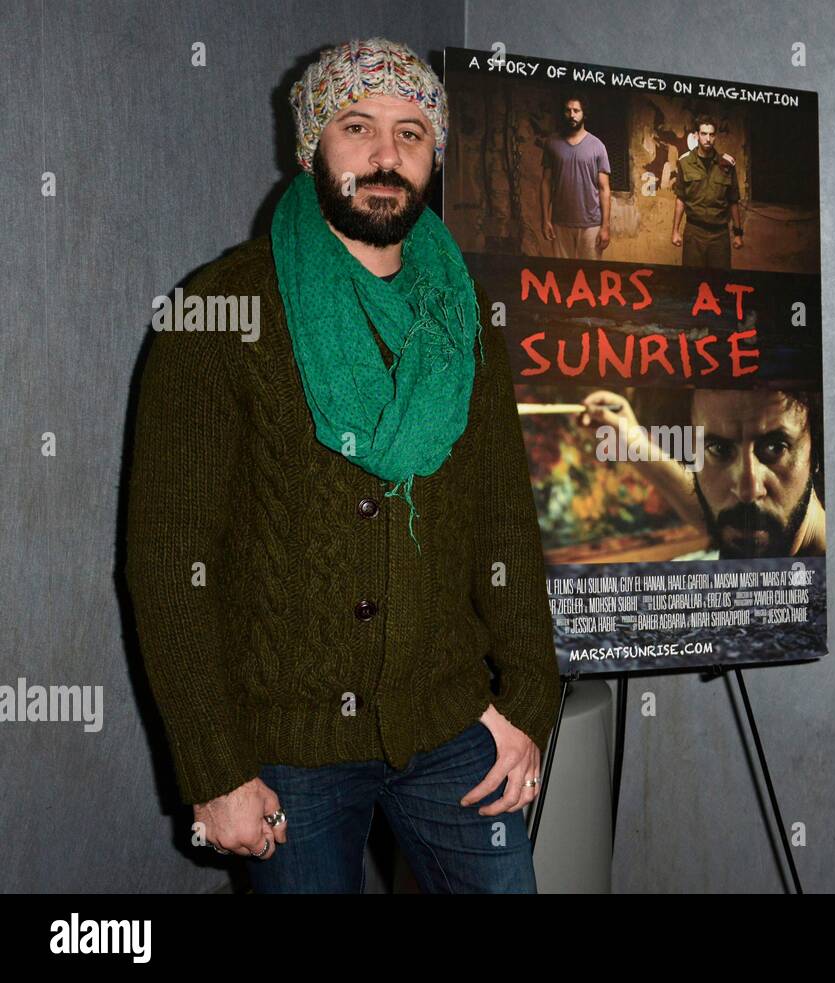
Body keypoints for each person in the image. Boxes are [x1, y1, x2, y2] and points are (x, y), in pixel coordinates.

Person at [125, 37, 562, 893]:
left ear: (435, 154)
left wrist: (529, 705)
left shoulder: (465, 316)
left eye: (410, 132)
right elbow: (170, 563)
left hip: (450, 725)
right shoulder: (218, 311)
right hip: (288, 750)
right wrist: (214, 767)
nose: (385, 155)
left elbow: (505, 521)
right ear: (309, 147)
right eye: (357, 126)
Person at [578, 387, 825, 559]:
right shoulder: (757, 526)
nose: (747, 491)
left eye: (775, 448)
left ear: (816, 451)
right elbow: (717, 517)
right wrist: (633, 444)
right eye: (719, 448)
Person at [540, 95, 611, 260]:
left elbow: (604, 188)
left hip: (591, 225)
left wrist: (605, 226)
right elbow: (546, 183)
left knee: (590, 277)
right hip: (560, 222)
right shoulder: (552, 143)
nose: (572, 115)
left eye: (576, 110)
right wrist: (545, 219)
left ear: (583, 114)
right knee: (562, 277)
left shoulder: (597, 146)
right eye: (568, 110)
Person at [671, 115, 743, 269]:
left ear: (715, 136)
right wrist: (675, 231)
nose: (707, 139)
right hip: (694, 233)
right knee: (692, 282)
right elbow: (680, 199)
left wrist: (738, 233)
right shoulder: (685, 163)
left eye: (711, 134)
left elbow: (733, 201)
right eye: (703, 134)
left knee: (720, 283)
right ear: (696, 135)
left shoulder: (727, 164)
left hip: (719, 236)